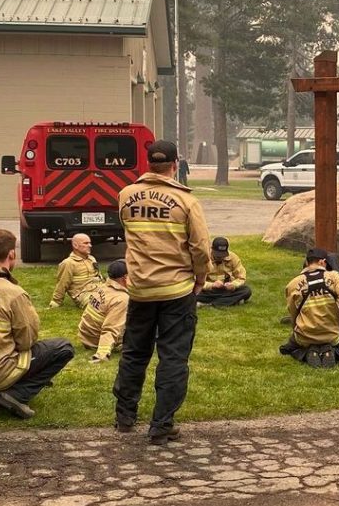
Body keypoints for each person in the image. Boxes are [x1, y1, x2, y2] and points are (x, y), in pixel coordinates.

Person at [113, 139, 211, 445]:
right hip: (176, 291)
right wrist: (200, 278)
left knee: (134, 353)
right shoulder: (185, 201)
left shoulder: (126, 195)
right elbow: (200, 247)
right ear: (175, 163)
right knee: (173, 357)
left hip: (140, 289)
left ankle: (124, 416)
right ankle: (161, 424)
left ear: (147, 162)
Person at [0, 229, 75, 427]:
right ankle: (14, 395)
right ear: (11, 254)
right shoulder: (13, 293)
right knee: (63, 348)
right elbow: (27, 340)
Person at [280, 247, 339, 368]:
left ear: (306, 262)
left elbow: (293, 312)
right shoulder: (334, 277)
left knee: (286, 348)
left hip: (304, 336)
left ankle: (308, 353)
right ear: (322, 262)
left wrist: (296, 327)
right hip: (331, 335)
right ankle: (331, 352)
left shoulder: (293, 284)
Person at [78, 260, 130, 362]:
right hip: (96, 340)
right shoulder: (122, 299)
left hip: (86, 336)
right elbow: (111, 328)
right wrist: (102, 353)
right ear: (125, 278)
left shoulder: (103, 287)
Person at [48, 234, 101, 309]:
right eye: (86, 243)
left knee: (119, 298)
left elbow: (99, 276)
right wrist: (56, 301)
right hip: (84, 294)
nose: (90, 245)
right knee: (102, 305)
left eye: (90, 243)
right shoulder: (68, 263)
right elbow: (62, 283)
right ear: (75, 245)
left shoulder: (91, 259)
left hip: (100, 290)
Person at [196, 237, 252, 307]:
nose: (220, 257)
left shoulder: (233, 258)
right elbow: (196, 280)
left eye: (222, 255)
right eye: (217, 255)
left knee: (246, 290)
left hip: (226, 290)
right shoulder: (203, 258)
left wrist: (233, 285)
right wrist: (212, 285)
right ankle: (230, 301)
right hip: (208, 290)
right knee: (191, 294)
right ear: (211, 249)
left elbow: (241, 277)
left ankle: (208, 304)